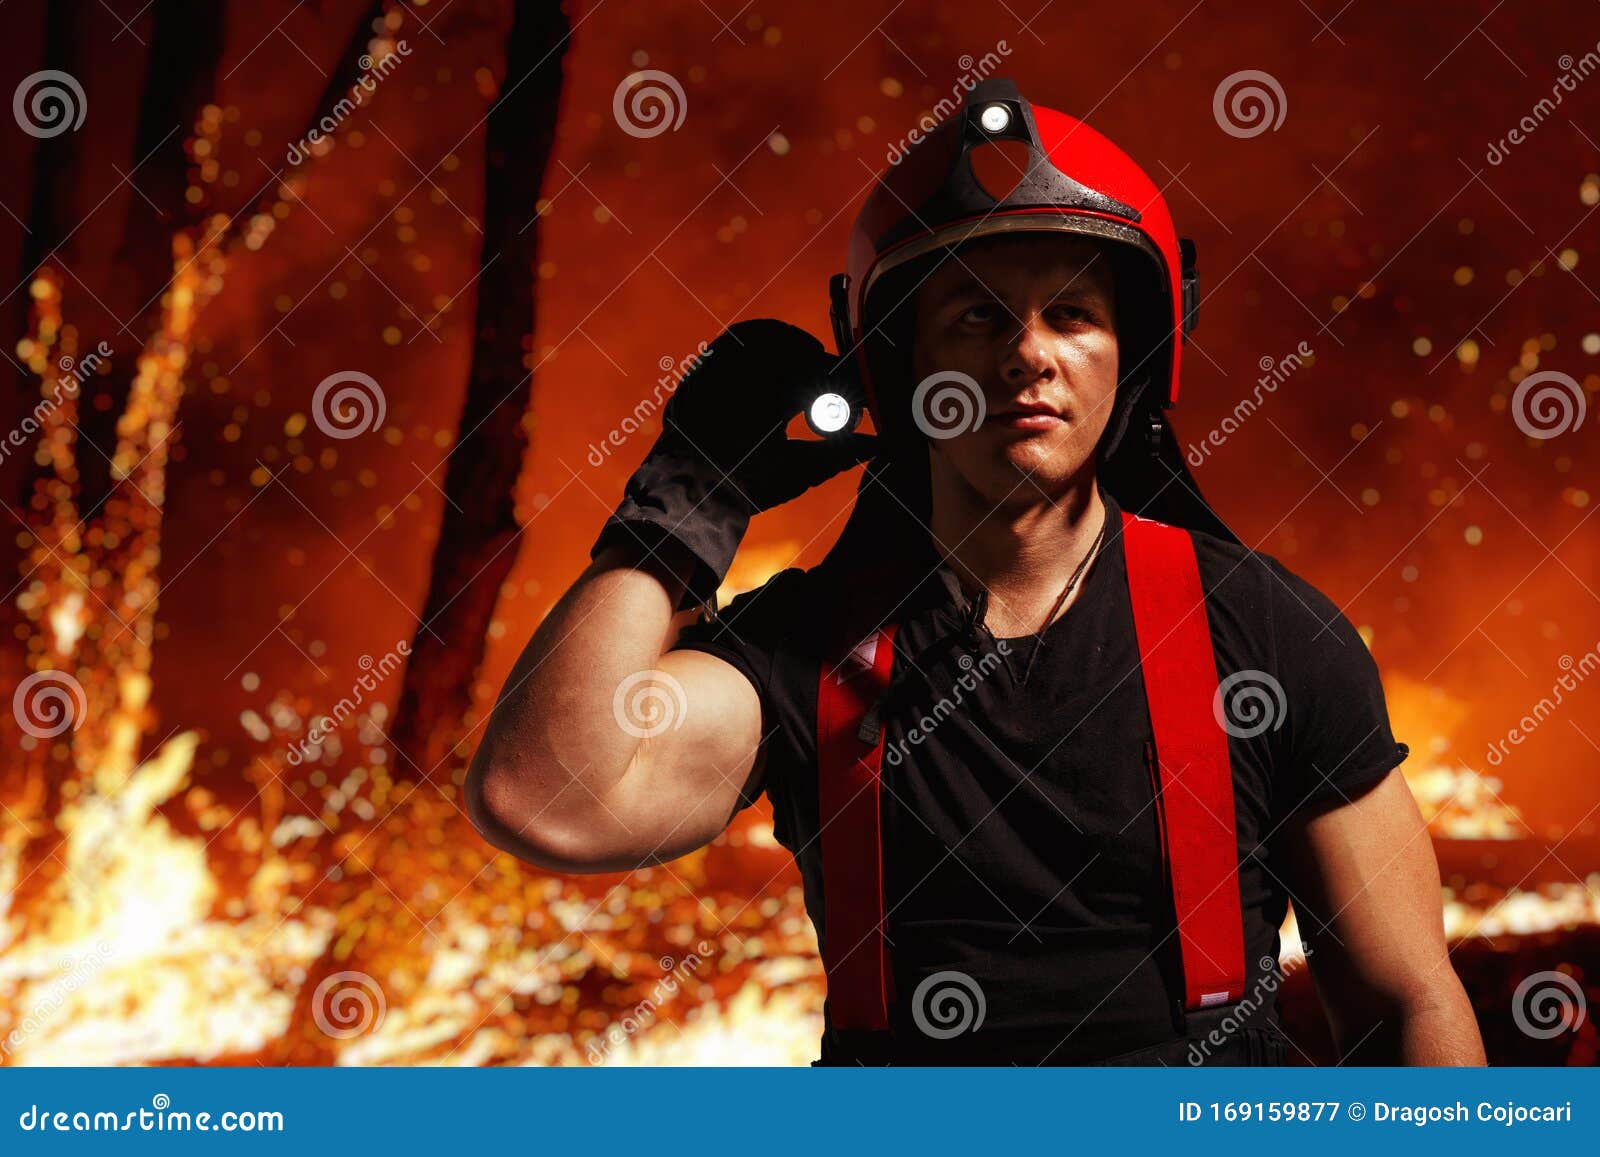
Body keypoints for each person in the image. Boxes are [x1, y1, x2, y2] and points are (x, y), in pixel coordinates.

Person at [466, 78, 1485, 1066]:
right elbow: (543, 793)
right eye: (976, 317)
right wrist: (677, 514)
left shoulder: (1263, 633)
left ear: (1136, 351)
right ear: (902, 366)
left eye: (1072, 315)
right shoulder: (806, 648)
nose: (1026, 355)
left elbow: (1409, 1001)